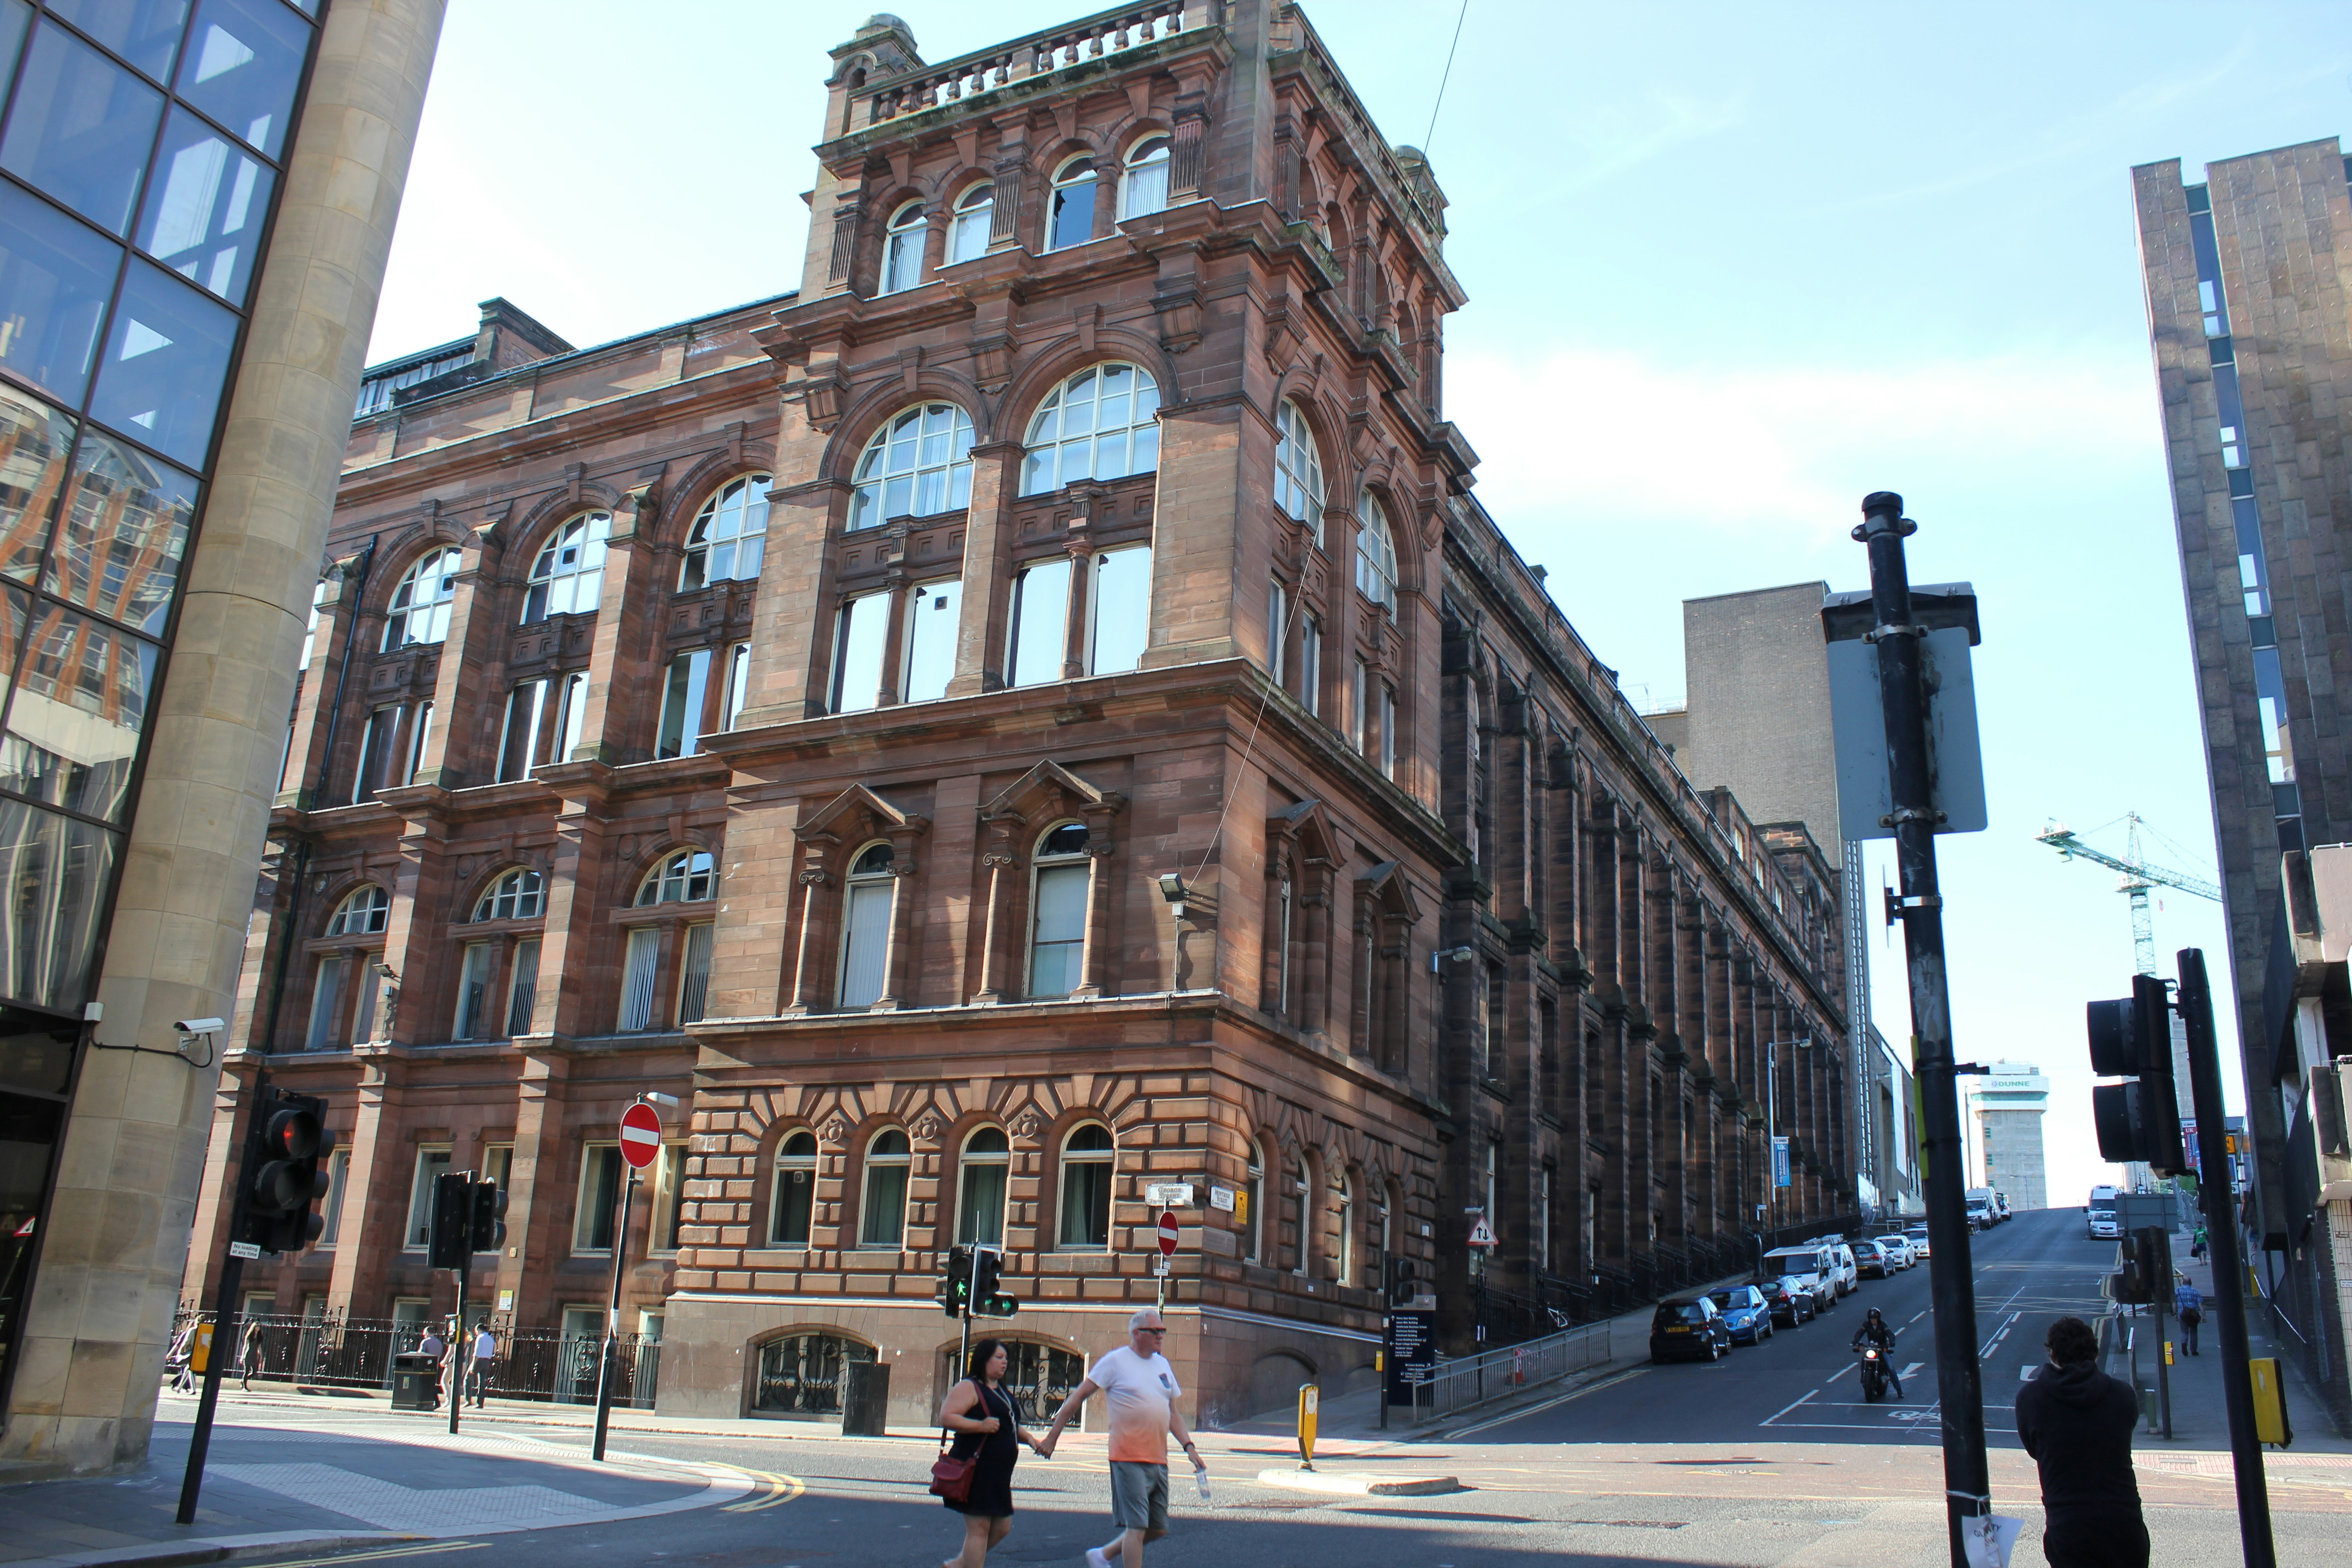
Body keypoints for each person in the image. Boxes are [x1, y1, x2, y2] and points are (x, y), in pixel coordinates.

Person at [1037, 1309, 1207, 1568]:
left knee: (1158, 1528)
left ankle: (1102, 1555)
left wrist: (1190, 1448)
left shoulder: (1162, 1364)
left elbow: (1173, 1413)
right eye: (1156, 1331)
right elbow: (1076, 1399)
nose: (1161, 1335)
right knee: (1137, 1526)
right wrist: (1052, 1438)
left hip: (1158, 1458)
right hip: (1127, 1456)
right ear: (1137, 1334)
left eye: (1163, 1330)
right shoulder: (1115, 1362)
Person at [2016, 1315, 2149, 1568]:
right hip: (2123, 1522)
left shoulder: (2030, 1399)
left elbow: (2036, 1450)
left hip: (2068, 1524)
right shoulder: (2123, 1395)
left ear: (2053, 1354)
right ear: (2095, 1353)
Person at [935, 1338, 1039, 1568]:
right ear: (984, 1360)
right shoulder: (969, 1387)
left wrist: (1029, 1438)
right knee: (979, 1529)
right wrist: (979, 1426)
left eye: (1006, 1358)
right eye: (999, 1358)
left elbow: (1008, 1422)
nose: (1005, 1362)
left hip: (998, 1473)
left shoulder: (1000, 1389)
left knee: (1002, 1527)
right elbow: (947, 1417)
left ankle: (959, 1565)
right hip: (977, 1468)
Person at [1850, 1306, 1902, 1400]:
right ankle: (1863, 1377)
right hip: (1872, 1348)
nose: (1873, 1320)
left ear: (1878, 1318)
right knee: (1864, 1359)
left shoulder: (1883, 1325)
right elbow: (1860, 1332)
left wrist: (1892, 1342)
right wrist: (1856, 1340)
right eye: (1872, 1318)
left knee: (1890, 1368)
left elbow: (1890, 1334)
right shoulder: (1867, 1325)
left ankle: (1899, 1390)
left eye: (1875, 1318)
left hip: (1882, 1348)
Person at [418, 1323, 446, 1410]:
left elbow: (421, 1354)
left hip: (425, 1366)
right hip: (435, 1366)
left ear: (427, 1333)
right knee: (431, 1384)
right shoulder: (439, 1342)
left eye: (424, 1333)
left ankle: (429, 1401)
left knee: (424, 1384)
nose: (423, 1335)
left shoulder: (425, 1342)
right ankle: (436, 1402)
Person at [2173, 1275, 2203, 1357]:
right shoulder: (2195, 1291)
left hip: (2182, 1315)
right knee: (2194, 1332)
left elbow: (2175, 1303)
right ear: (2191, 1283)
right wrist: (2204, 1316)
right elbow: (2200, 1304)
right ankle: (2194, 1350)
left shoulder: (2178, 1291)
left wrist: (2175, 1314)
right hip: (2193, 1315)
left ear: (2183, 1283)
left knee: (2184, 1331)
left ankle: (2184, 1343)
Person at [470, 1322, 497, 1407]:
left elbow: (477, 1353)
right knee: (482, 1383)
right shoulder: (491, 1339)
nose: (476, 1333)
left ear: (479, 1330)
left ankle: (468, 1400)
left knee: (467, 1379)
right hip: (487, 1362)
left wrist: (473, 1365)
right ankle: (480, 1403)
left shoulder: (480, 1338)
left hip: (480, 1361)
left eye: (476, 1331)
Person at [240, 1316, 265, 1392]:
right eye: (257, 1326)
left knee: (254, 1372)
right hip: (248, 1354)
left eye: (259, 1326)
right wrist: (242, 1357)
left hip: (255, 1355)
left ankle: (243, 1381)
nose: (258, 1327)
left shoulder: (260, 1337)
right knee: (247, 1371)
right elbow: (245, 1347)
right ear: (254, 1327)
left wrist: (261, 1356)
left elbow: (259, 1347)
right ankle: (245, 1387)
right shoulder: (249, 1336)